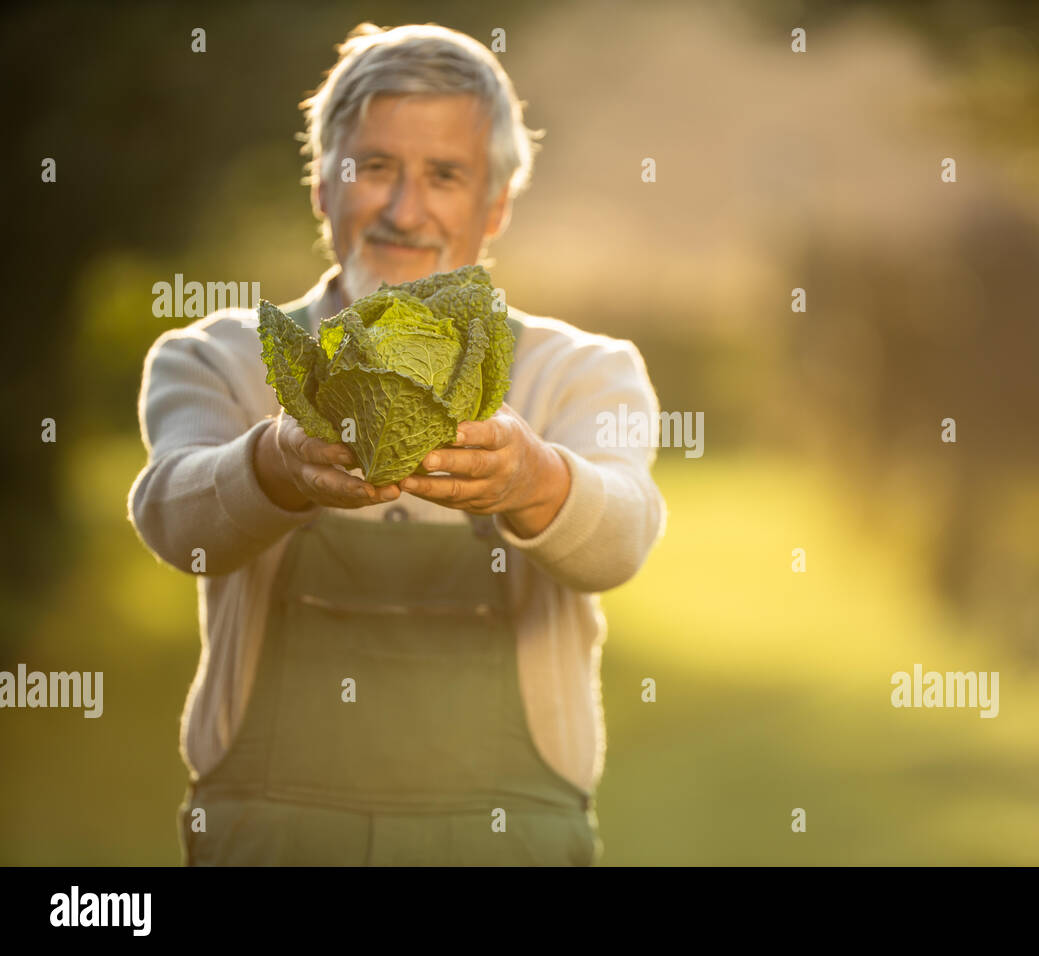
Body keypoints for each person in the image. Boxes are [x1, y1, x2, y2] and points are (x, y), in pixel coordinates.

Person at [127, 21, 667, 865]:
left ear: (495, 207)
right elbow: (173, 520)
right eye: (373, 168)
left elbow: (625, 535)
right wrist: (275, 464)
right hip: (271, 842)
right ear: (321, 184)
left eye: (444, 176)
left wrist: (533, 477)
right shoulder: (220, 359)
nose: (404, 211)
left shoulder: (581, 372)